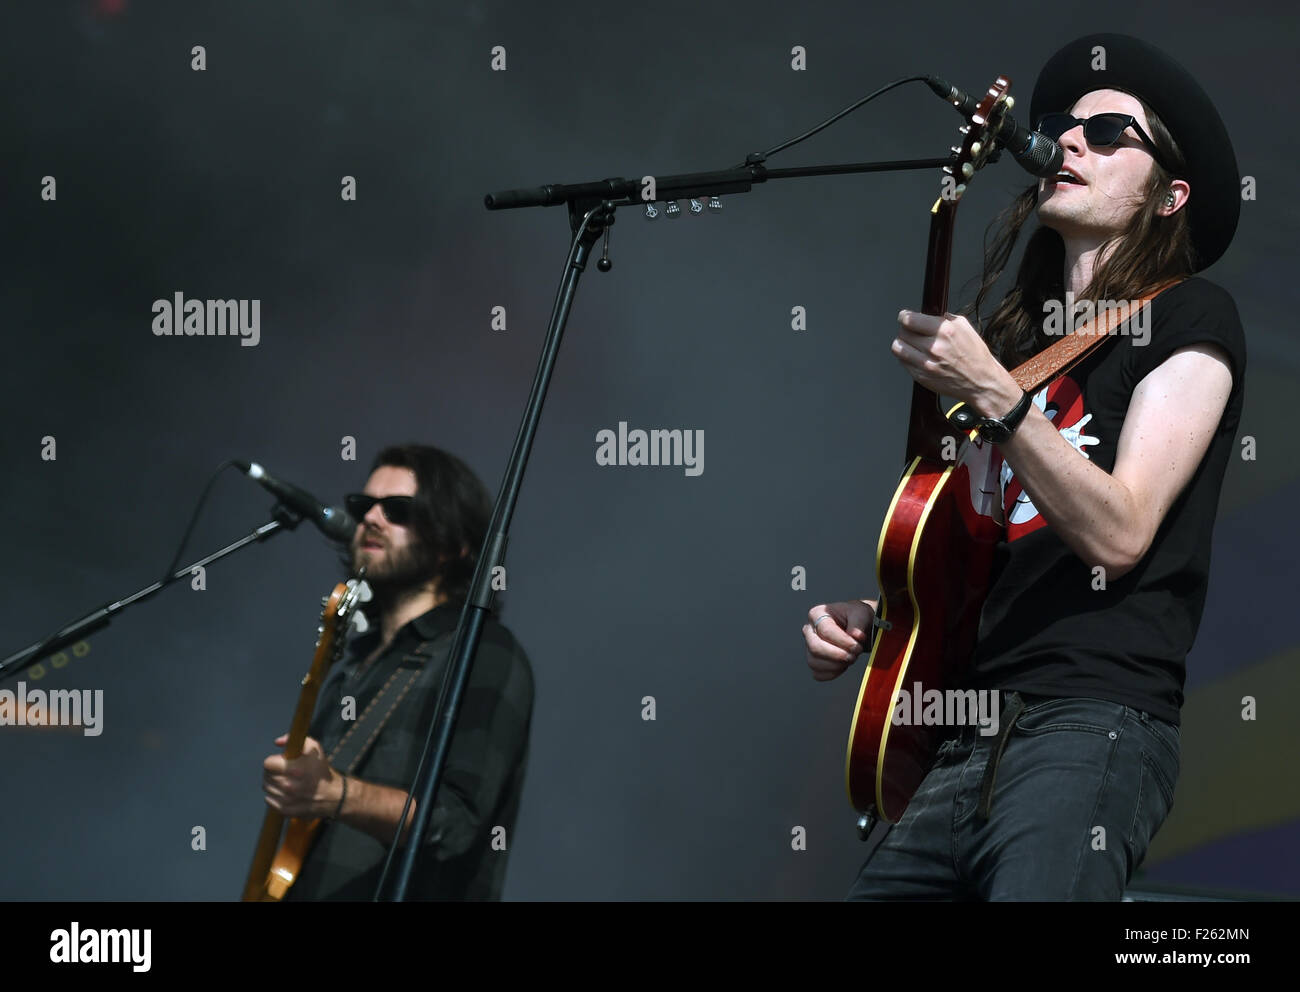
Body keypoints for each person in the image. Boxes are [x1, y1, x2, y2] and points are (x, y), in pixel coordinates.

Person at [803, 33, 1245, 900]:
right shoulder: (1018, 347)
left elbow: (1119, 533)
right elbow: (976, 556)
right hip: (963, 740)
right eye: (1060, 127)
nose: (1068, 141)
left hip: (1089, 728)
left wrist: (1001, 404)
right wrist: (888, 614)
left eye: (1109, 132)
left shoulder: (1195, 316)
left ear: (1169, 195)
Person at [259, 443, 534, 900]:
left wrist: (337, 795)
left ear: (455, 544)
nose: (371, 518)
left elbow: (455, 823)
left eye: (399, 510)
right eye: (363, 505)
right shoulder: (351, 663)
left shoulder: (483, 654)